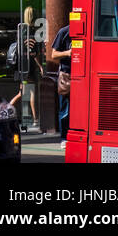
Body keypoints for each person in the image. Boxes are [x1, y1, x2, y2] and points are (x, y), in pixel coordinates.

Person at [9, 6, 43, 131]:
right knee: (31, 92)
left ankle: (6, 111)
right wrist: (40, 66)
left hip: (22, 66)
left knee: (22, 93)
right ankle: (35, 119)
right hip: (29, 66)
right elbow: (33, 52)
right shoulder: (31, 31)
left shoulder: (22, 29)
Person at [51, 18, 73, 148]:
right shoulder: (64, 32)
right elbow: (53, 54)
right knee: (65, 109)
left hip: (83, 75)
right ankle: (64, 137)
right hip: (66, 76)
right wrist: (68, 53)